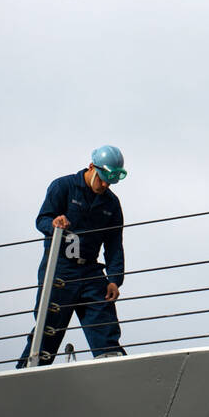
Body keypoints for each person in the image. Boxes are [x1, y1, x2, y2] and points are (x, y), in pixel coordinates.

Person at [16, 146, 128, 368]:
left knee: (105, 327)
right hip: (60, 270)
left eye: (110, 181)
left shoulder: (111, 204)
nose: (105, 185)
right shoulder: (63, 187)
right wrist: (54, 223)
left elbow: (114, 245)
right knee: (47, 330)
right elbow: (42, 219)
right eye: (102, 179)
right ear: (91, 167)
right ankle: (27, 375)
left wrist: (115, 278)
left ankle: (114, 369)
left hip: (91, 271)